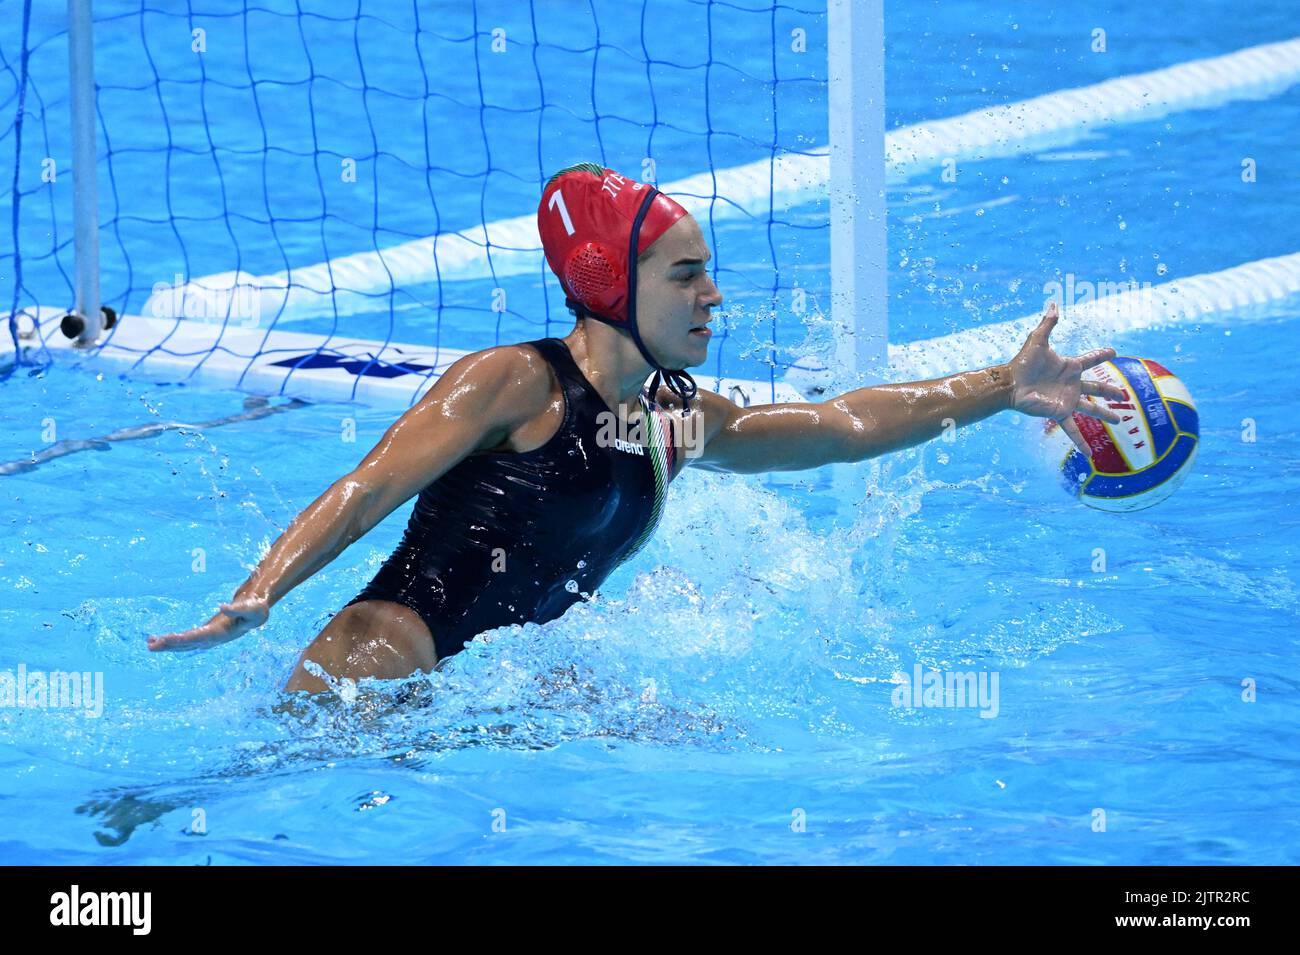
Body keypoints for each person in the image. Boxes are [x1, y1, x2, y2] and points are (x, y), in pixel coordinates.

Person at [147, 162, 1126, 694]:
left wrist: (1000, 385)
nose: (712, 295)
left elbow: (836, 424)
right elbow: (368, 489)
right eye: (685, 274)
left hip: (514, 688)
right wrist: (260, 594)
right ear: (612, 284)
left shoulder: (676, 416)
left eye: (709, 270)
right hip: (391, 647)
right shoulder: (510, 383)